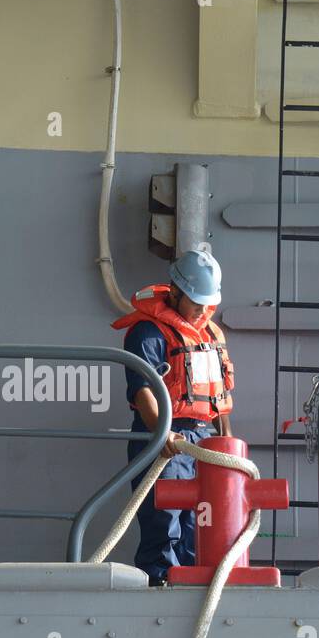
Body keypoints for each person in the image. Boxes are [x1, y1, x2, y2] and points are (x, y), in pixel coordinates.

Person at [112, 250, 235, 585]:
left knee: (200, 528)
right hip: (164, 441)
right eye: (196, 302)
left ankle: (194, 588)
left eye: (207, 304)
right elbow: (143, 390)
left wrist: (225, 444)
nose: (201, 310)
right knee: (164, 524)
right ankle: (159, 588)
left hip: (204, 441)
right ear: (176, 292)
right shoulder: (147, 333)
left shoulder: (209, 335)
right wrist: (162, 435)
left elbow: (221, 398)